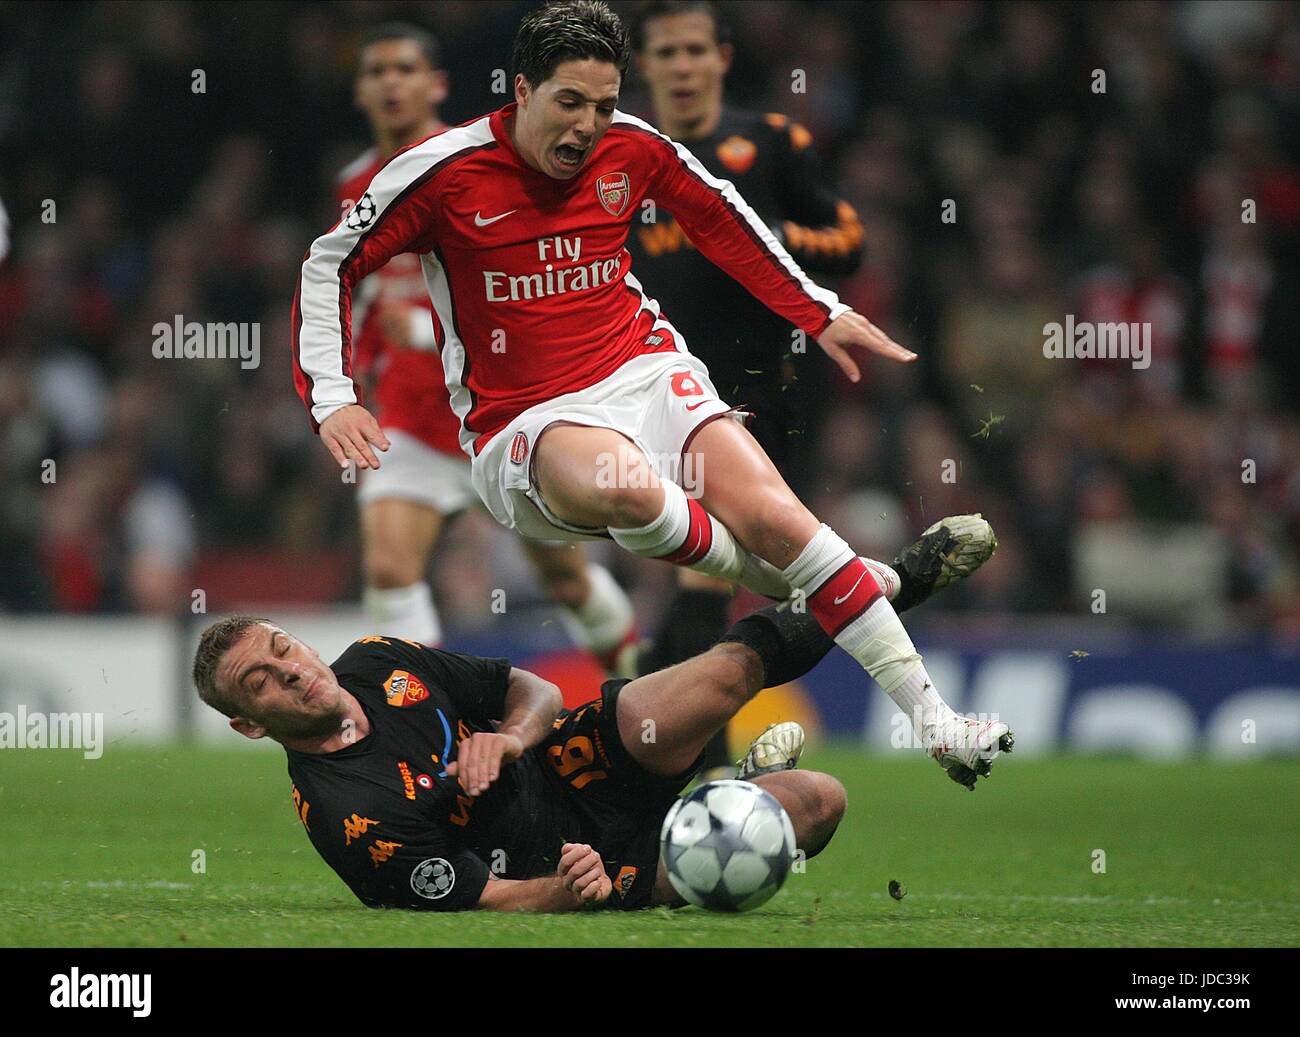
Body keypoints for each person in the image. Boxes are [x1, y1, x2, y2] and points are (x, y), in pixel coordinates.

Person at [291, 0, 1012, 788]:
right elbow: (331, 263)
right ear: (522, 90)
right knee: (633, 491)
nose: (588, 126)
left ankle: (937, 721)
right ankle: (833, 578)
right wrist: (334, 394)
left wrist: (820, 311)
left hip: (641, 366)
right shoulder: (443, 172)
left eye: (604, 106)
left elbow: (721, 216)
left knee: (778, 518)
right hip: (524, 418)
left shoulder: (632, 147)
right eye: (570, 103)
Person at [191, 604, 850, 911]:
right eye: (262, 682)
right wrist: (576, 888)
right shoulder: (349, 811)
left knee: (724, 679)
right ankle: (734, 793)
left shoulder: (374, 660)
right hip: (578, 863)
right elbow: (492, 898)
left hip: (578, 760)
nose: (294, 671)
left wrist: (509, 736)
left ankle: (876, 585)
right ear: (249, 725)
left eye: (284, 646)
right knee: (821, 801)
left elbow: (532, 689)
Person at [339, 21, 638, 668]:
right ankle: (428, 725)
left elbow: (525, 287)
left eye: (405, 69)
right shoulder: (353, 185)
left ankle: (640, 683)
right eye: (376, 72)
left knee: (565, 581)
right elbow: (351, 293)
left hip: (504, 412)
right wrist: (350, 380)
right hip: (412, 422)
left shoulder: (478, 163)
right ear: (359, 91)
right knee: (390, 568)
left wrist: (422, 332)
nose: (391, 83)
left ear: (436, 84)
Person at [626, 0, 867, 775]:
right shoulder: (622, 158)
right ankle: (651, 738)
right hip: (651, 389)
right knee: (699, 573)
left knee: (710, 570)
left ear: (723, 58)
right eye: (668, 53)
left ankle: (687, 764)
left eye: (696, 50)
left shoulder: (770, 142)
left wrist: (764, 230)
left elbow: (849, 242)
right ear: (646, 66)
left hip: (765, 391)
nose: (684, 67)